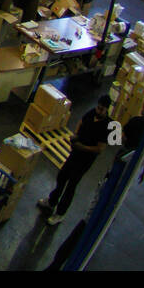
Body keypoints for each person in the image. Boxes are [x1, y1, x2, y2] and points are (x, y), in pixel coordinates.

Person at [38, 95, 112, 226]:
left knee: (71, 185)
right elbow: (81, 122)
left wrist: (82, 147)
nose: (98, 111)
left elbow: (100, 149)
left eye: (102, 109)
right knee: (62, 177)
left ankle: (60, 213)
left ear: (107, 110)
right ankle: (51, 202)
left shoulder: (107, 126)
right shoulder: (91, 113)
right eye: (98, 107)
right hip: (75, 153)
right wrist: (75, 136)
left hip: (85, 160)